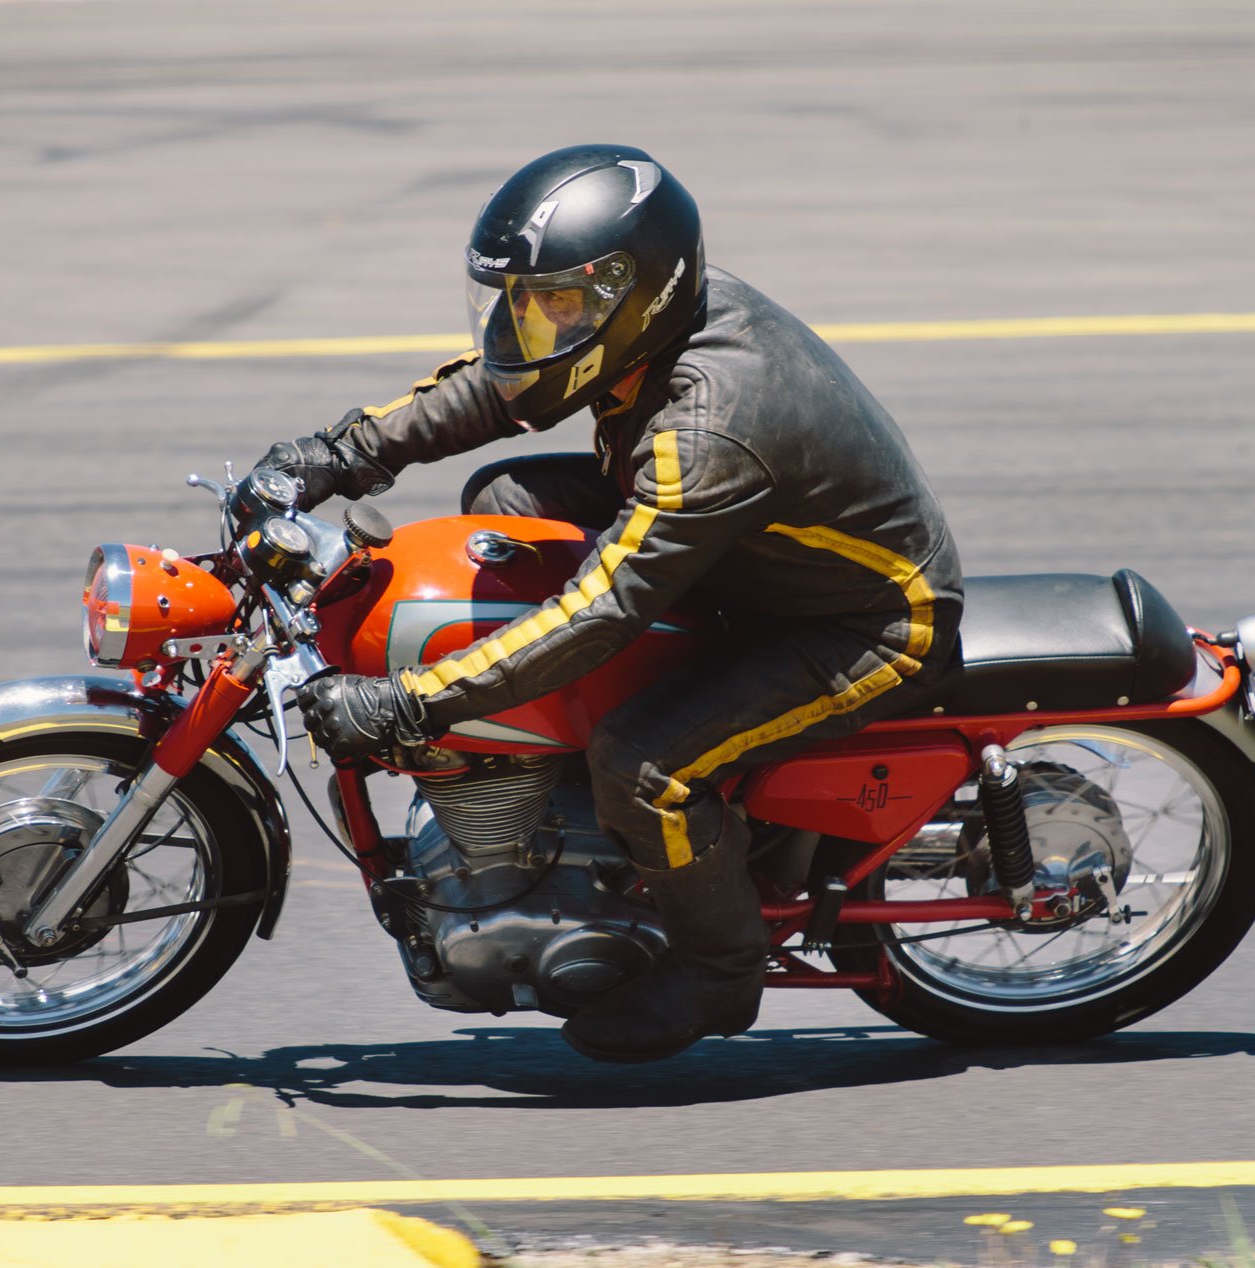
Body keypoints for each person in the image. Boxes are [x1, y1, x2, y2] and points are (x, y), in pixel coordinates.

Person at [245, 144, 964, 1063]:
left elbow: (600, 611)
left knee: (642, 764)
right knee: (505, 503)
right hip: (746, 555)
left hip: (862, 624)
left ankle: (719, 969)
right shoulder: (651, 328)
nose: (525, 326)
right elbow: (497, 388)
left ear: (635, 297)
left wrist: (413, 701)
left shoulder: (709, 429)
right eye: (515, 302)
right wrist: (342, 454)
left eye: (552, 305)